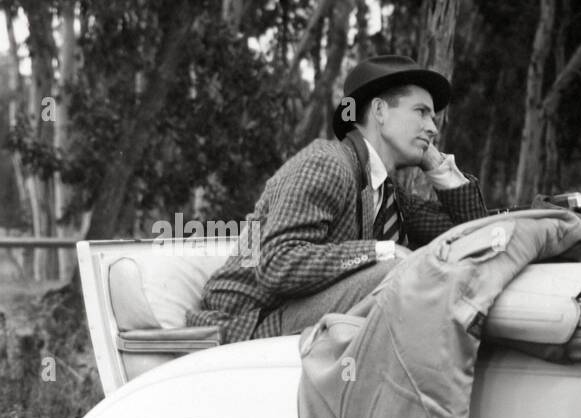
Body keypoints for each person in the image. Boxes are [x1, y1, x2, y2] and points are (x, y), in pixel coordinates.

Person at [189, 54, 489, 343]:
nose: (433, 127)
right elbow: (277, 265)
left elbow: (476, 239)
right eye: (421, 112)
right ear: (380, 111)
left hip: (299, 318)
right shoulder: (328, 163)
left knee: (422, 268)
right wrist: (382, 251)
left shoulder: (386, 193)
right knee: (394, 270)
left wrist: (442, 171)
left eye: (434, 118)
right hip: (243, 326)